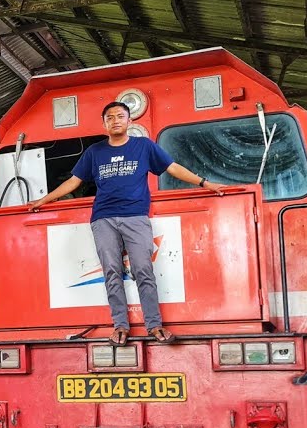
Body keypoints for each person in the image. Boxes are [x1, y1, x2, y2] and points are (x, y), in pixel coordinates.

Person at [28, 101, 230, 345]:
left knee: (143, 269)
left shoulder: (143, 146)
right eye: (110, 117)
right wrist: (44, 200)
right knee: (111, 272)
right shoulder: (94, 152)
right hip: (103, 218)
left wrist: (205, 183)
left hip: (135, 216)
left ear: (129, 121)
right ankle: (120, 326)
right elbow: (74, 182)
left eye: (120, 116)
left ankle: (154, 325)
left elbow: (172, 167)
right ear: (104, 124)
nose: (115, 120)